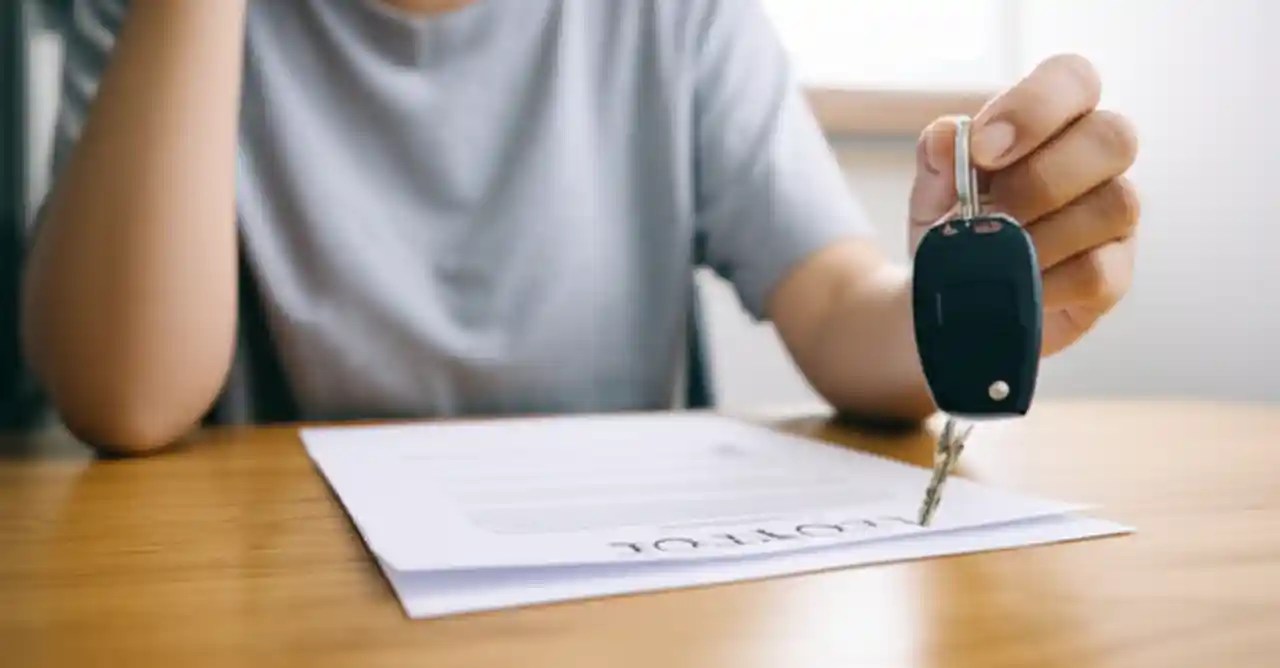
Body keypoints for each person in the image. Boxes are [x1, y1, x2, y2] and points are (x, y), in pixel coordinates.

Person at [21, 0, 1140, 454]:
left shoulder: (671, 17)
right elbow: (125, 398)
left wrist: (966, 307)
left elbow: (843, 311)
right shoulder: (161, 23)